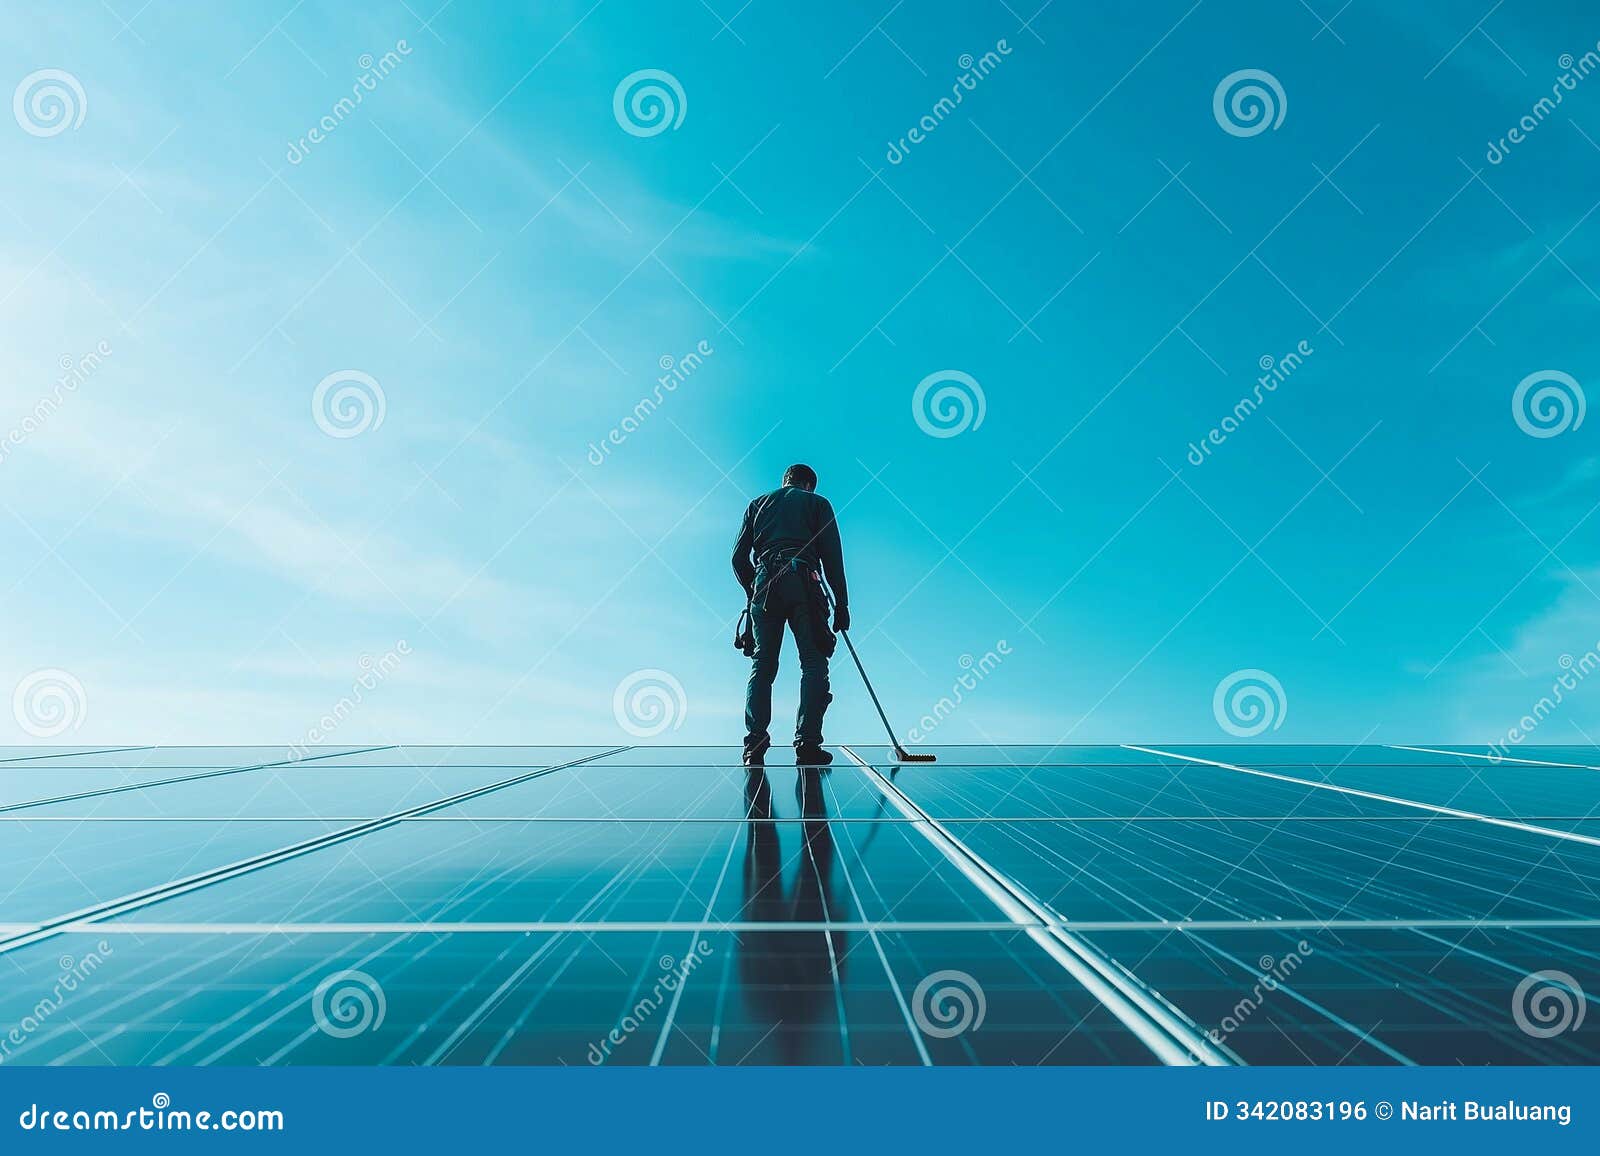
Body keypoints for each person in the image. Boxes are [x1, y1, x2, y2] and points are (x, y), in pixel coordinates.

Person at [732, 464, 849, 768]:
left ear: (784, 481)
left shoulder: (756, 505)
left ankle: (754, 741)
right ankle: (807, 744)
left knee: (763, 663)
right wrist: (842, 604)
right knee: (813, 663)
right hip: (803, 584)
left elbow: (737, 558)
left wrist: (752, 589)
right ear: (809, 484)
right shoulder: (818, 504)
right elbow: (832, 557)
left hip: (765, 585)